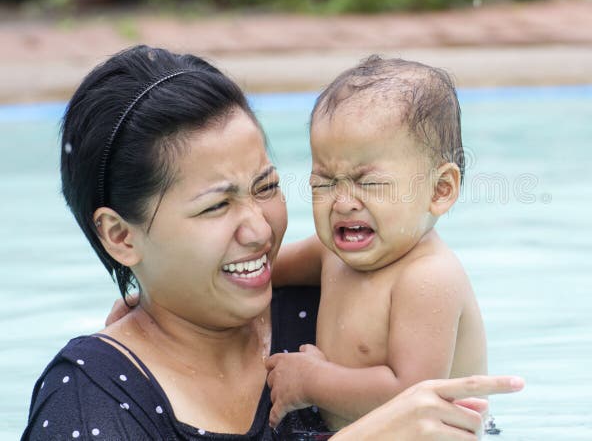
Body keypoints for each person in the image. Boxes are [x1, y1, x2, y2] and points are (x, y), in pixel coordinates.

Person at [22, 45, 523, 440]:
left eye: (266, 188)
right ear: (120, 237)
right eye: (217, 205)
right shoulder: (93, 399)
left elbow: (419, 399)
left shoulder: (352, 299)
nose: (261, 233)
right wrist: (155, 299)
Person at [266, 56, 488, 432]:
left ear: (440, 190)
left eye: (368, 182)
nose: (343, 201)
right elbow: (259, 273)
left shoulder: (427, 278)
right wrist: (169, 295)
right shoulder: (331, 255)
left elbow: (413, 396)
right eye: (324, 182)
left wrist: (310, 382)